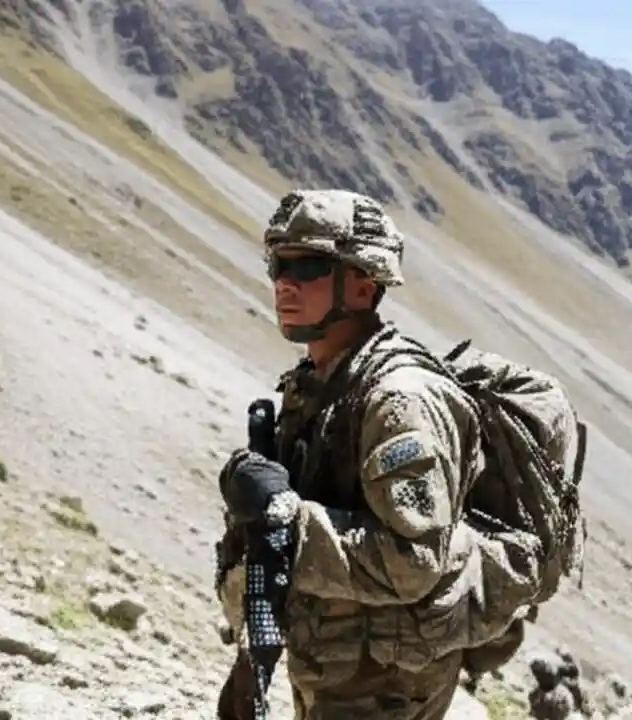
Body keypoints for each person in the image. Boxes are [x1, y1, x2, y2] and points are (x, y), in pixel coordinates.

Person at [214, 189, 512, 719]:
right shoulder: (318, 385)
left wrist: (286, 519)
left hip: (387, 682)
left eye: (307, 266)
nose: (284, 281)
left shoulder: (401, 398)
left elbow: (414, 561)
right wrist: (250, 657)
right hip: (335, 663)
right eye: (277, 263)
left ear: (361, 284)